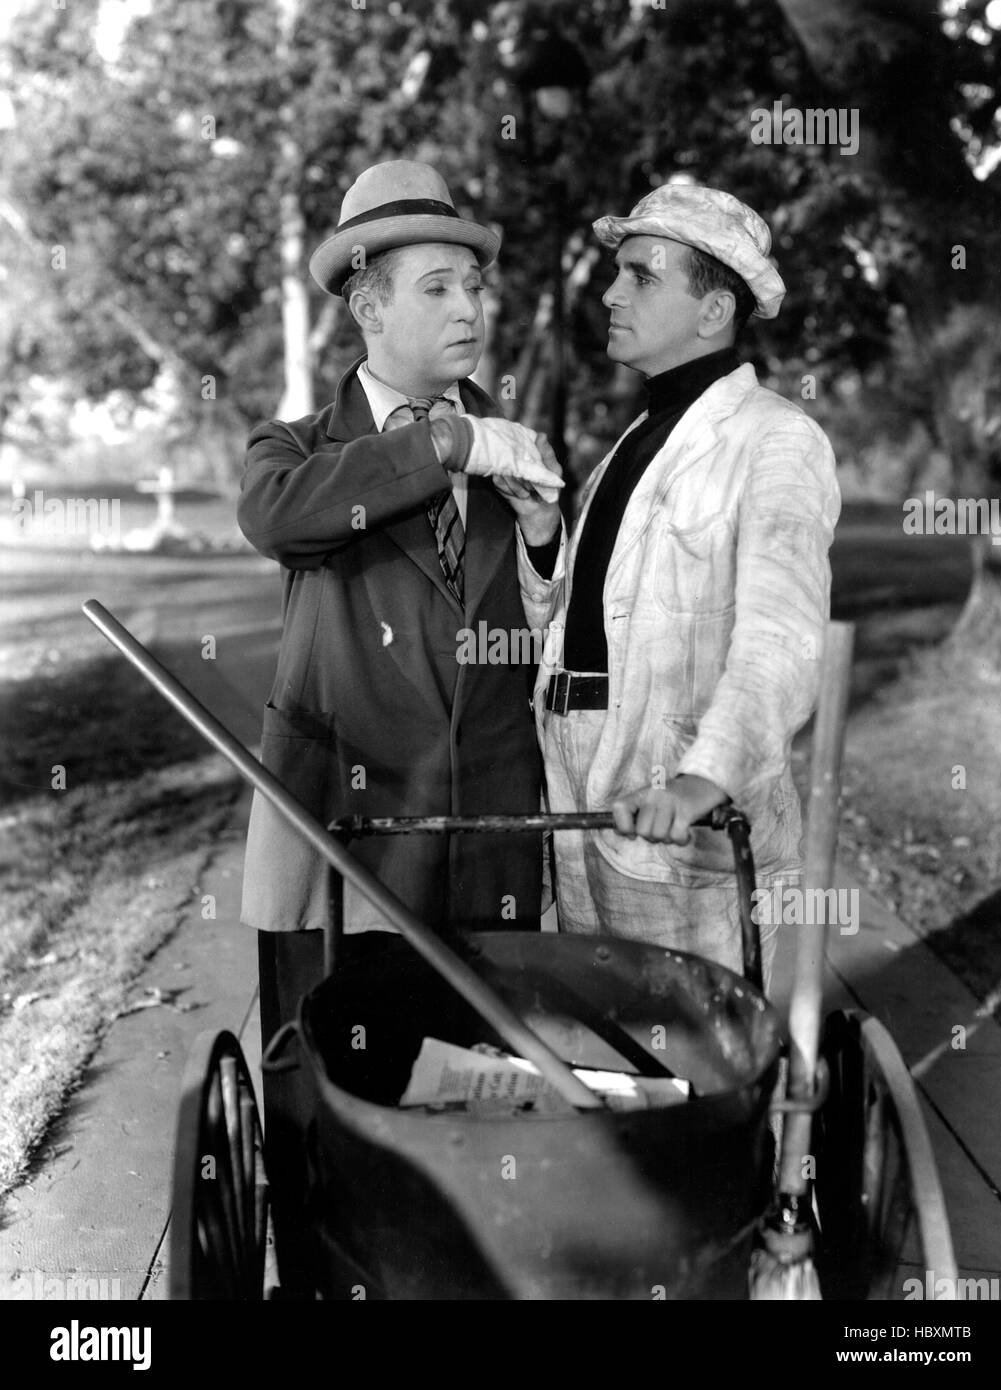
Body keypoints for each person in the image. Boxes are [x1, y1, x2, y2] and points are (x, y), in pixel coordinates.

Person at [236, 162, 562, 1285]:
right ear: (368, 304)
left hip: (492, 830)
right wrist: (446, 448)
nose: (472, 307)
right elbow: (283, 522)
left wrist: (539, 545)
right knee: (337, 1093)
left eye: (476, 285)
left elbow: (548, 632)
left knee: (484, 1078)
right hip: (347, 837)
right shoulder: (292, 451)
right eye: (439, 287)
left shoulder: (513, 443)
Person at [518, 183, 842, 989]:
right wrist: (537, 536)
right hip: (580, 796)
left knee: (708, 1055)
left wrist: (704, 778)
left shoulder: (775, 441)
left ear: (712, 311)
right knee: (612, 1048)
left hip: (679, 809)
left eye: (640, 275)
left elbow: (783, 638)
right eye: (616, 272)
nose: (609, 291)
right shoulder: (632, 441)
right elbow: (581, 625)